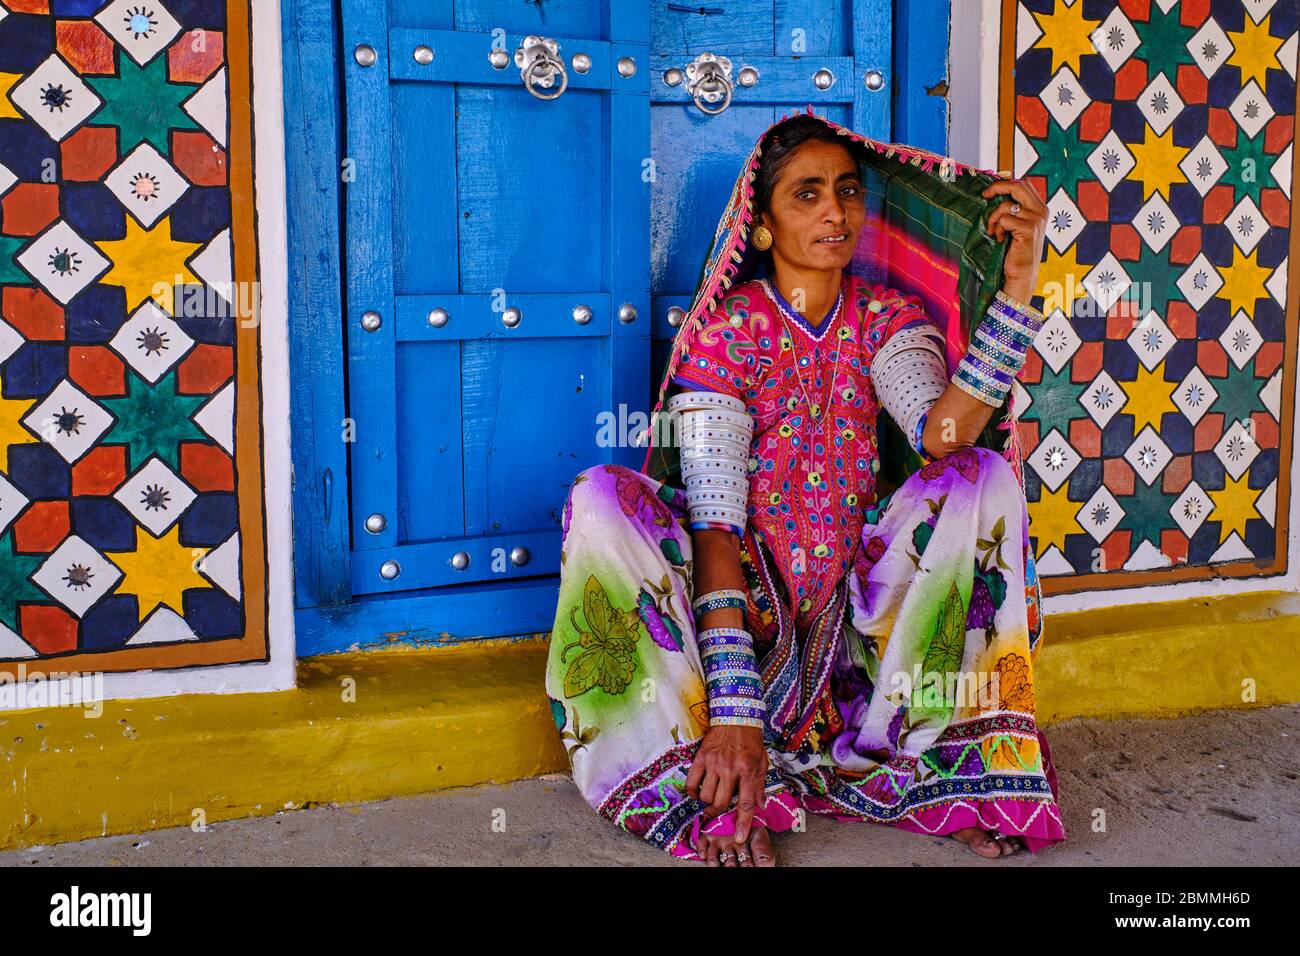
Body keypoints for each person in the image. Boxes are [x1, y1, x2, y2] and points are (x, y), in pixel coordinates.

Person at [545, 109, 1065, 866]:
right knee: (599, 498)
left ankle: (947, 757)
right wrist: (735, 713)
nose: (835, 210)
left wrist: (1018, 289)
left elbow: (941, 435)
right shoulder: (727, 333)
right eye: (807, 194)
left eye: (849, 192)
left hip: (860, 620)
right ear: (761, 224)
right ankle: (699, 769)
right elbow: (716, 527)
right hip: (731, 614)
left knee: (978, 476)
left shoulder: (887, 317)